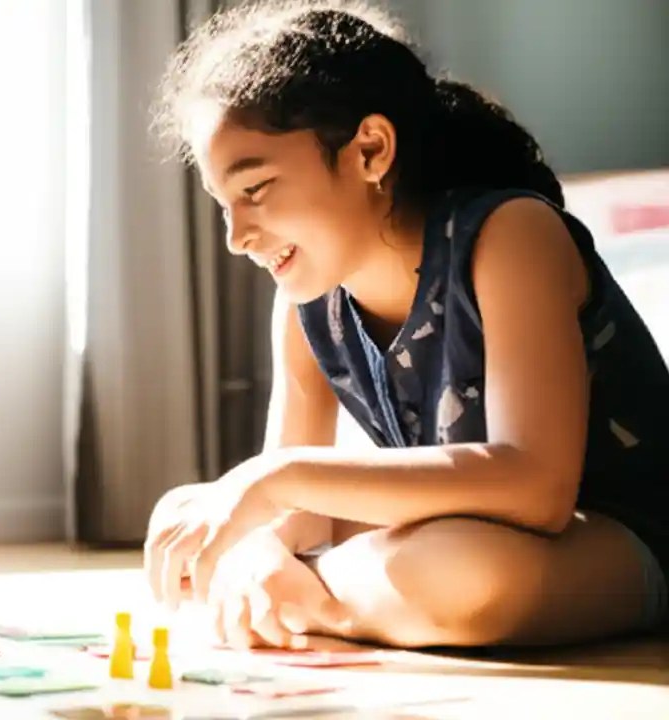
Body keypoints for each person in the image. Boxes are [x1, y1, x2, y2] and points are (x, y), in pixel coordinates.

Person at [145, 1, 669, 649]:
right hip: (463, 523)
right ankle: (314, 593)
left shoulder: (510, 235)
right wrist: (264, 538)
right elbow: (293, 515)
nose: (236, 237)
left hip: (615, 533)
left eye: (256, 190)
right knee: (186, 515)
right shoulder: (308, 298)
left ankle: (313, 605)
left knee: (463, 571)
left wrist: (273, 482)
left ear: (370, 149)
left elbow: (537, 488)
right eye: (224, 205)